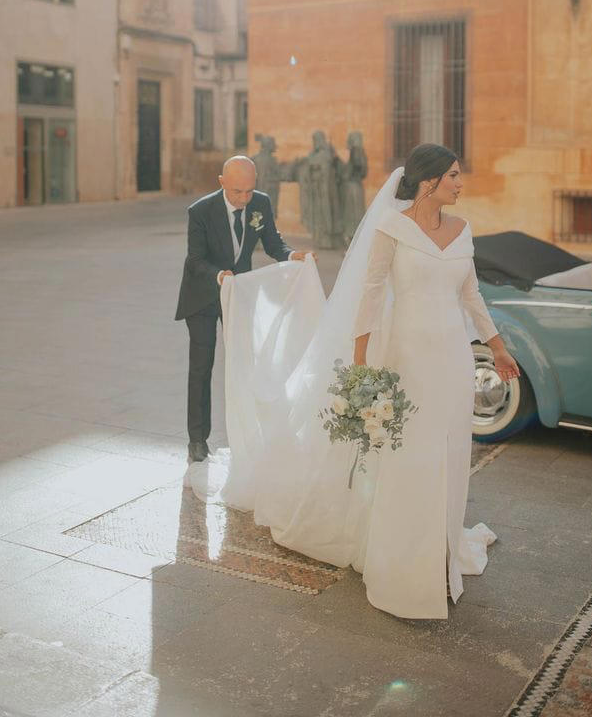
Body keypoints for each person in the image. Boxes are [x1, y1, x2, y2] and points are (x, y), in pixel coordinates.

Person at [188, 144, 519, 619]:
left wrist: (498, 346)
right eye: (452, 176)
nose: (460, 183)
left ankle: (441, 547)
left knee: (449, 454)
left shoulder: (463, 232)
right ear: (428, 182)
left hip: (452, 360)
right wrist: (362, 366)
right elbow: (369, 297)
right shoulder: (392, 229)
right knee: (411, 456)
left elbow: (471, 294)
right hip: (407, 357)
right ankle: (403, 561)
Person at [174, 155, 309, 463]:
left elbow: (274, 244)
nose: (244, 198)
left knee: (247, 363)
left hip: (240, 295)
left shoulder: (260, 203)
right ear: (222, 183)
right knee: (201, 366)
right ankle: (197, 439)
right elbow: (194, 260)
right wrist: (219, 276)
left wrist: (292, 256)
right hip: (204, 296)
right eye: (237, 192)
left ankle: (251, 431)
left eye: (249, 191)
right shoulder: (200, 211)